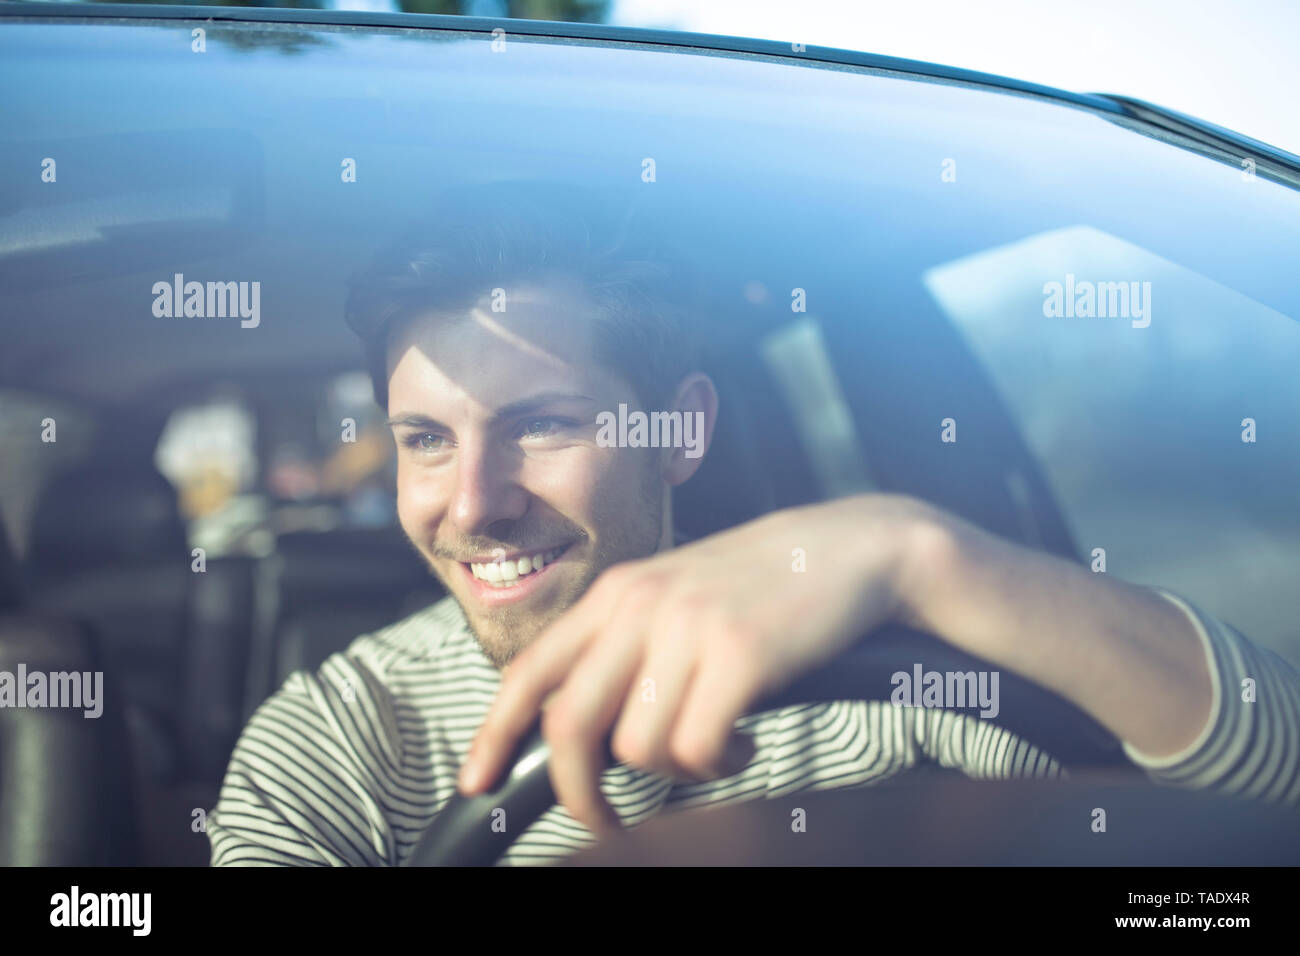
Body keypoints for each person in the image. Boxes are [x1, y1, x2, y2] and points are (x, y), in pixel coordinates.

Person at [207, 184, 1300, 866]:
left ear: (679, 429)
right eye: (426, 439)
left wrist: (922, 552)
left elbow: (1266, 803)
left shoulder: (888, 666)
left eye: (539, 425)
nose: (474, 500)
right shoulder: (335, 735)